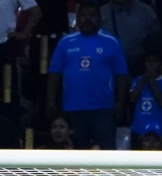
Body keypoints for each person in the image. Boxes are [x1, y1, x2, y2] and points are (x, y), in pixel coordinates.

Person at [46, 1, 128, 150]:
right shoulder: (65, 43)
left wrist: (120, 101)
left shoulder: (111, 42)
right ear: (77, 17)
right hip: (72, 108)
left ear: (99, 18)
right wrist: (51, 102)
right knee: (75, 153)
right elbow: (54, 74)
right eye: (83, 15)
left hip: (103, 109)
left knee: (104, 153)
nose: (87, 19)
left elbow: (121, 75)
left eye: (92, 15)